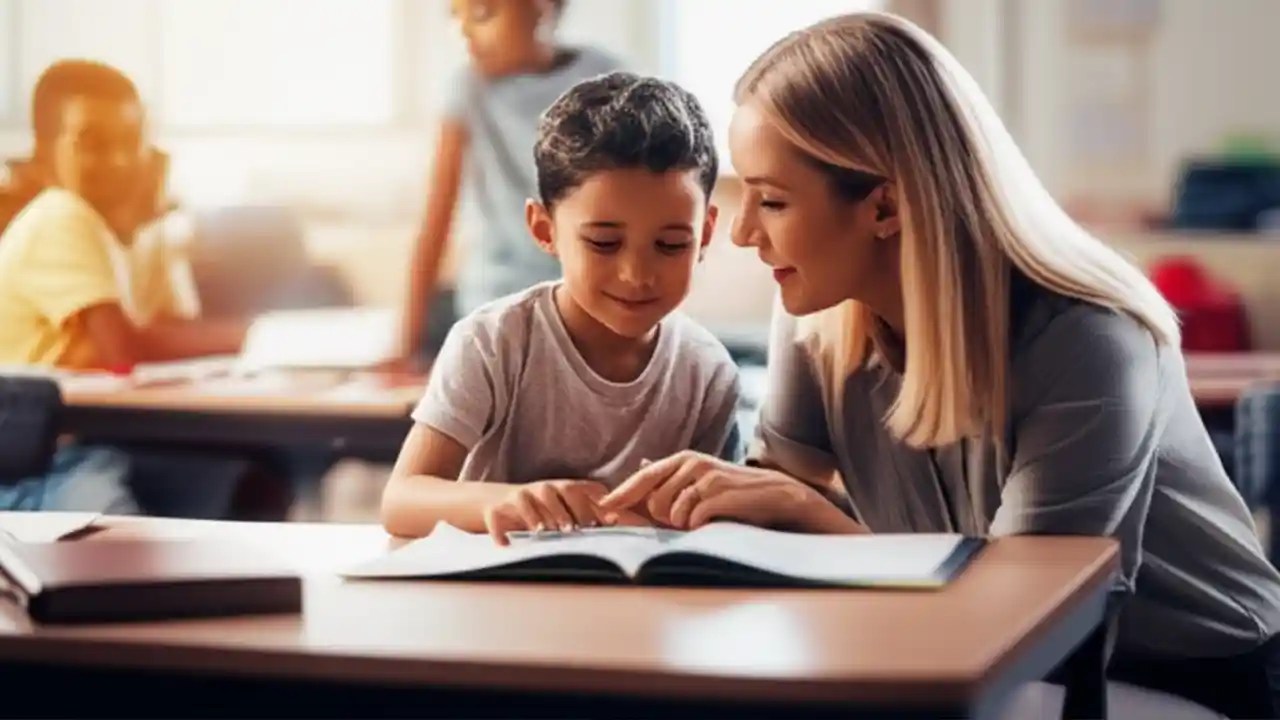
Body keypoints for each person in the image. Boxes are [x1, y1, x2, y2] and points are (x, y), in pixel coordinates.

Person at [600, 13, 1280, 718]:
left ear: (885, 205)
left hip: (1193, 677)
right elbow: (776, 502)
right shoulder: (815, 310)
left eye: (772, 200)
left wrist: (805, 511)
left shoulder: (1087, 339)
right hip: (983, 652)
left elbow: (1022, 622)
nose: (741, 233)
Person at [382, 72, 741, 544]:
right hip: (495, 603)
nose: (637, 274)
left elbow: (718, 525)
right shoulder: (493, 343)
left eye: (671, 245)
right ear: (544, 229)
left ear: (706, 235)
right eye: (604, 242)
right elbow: (401, 502)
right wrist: (503, 502)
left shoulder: (707, 372)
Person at [0, 59, 246, 517]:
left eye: (131, 144)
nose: (117, 161)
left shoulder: (119, 229)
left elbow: (175, 328)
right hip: (40, 463)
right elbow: (123, 347)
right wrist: (261, 338)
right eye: (91, 144)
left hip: (110, 443)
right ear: (44, 148)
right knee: (120, 540)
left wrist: (147, 229)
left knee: (244, 482)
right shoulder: (59, 214)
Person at [399, 0, 624, 363]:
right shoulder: (467, 89)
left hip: (587, 300)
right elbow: (435, 222)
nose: (465, 33)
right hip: (492, 304)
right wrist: (404, 347)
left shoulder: (607, 81)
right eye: (456, 18)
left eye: (482, 14)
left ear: (540, 8)